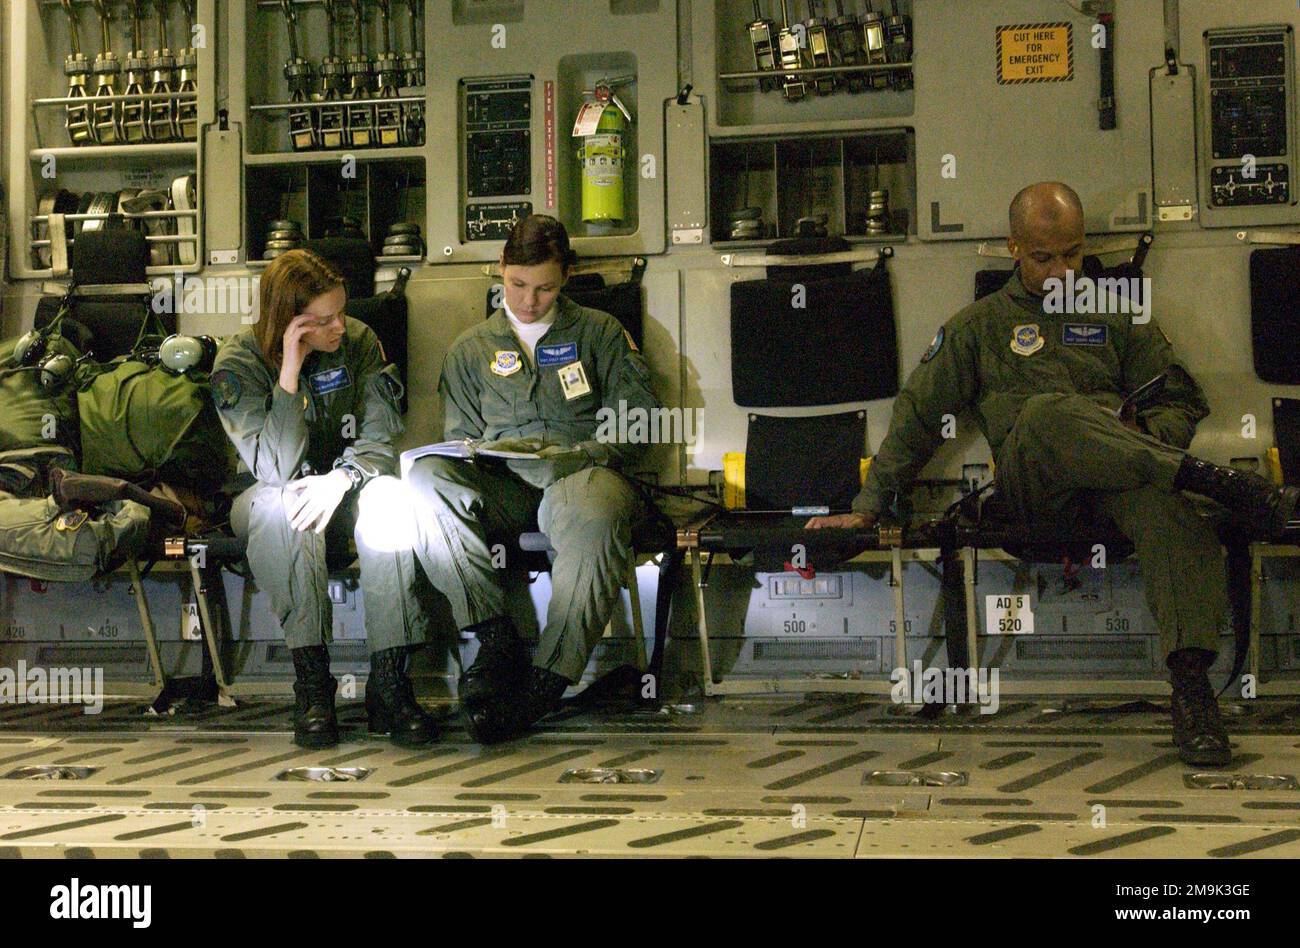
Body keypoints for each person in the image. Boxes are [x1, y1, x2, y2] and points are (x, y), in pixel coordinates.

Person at [808, 182, 1299, 768]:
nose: (1062, 270)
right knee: (1049, 411)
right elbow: (916, 419)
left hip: (1116, 483)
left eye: (1072, 254)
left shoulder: (1119, 317)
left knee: (1169, 506)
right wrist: (870, 503)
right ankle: (1213, 480)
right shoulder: (978, 327)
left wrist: (1143, 442)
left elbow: (1180, 400)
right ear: (1014, 248)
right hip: (1032, 488)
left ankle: (1192, 691)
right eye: (1044, 257)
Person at [407, 215, 659, 744]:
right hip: (504, 484)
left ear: (566, 276)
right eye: (517, 285)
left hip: (580, 475)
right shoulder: (471, 350)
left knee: (594, 510)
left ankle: (544, 683)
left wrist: (583, 452)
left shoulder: (601, 333)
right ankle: (494, 637)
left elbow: (639, 424)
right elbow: (459, 442)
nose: (528, 300)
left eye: (544, 287)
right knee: (428, 479)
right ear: (501, 269)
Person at [210, 249, 436, 749]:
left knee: (391, 499)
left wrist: (341, 480)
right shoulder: (238, 363)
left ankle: (390, 683)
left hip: (348, 490)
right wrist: (290, 373)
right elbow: (273, 469)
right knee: (280, 504)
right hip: (272, 498)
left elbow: (379, 441)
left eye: (340, 312)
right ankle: (313, 687)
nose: (339, 326)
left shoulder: (358, 341)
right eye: (322, 321)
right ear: (288, 324)